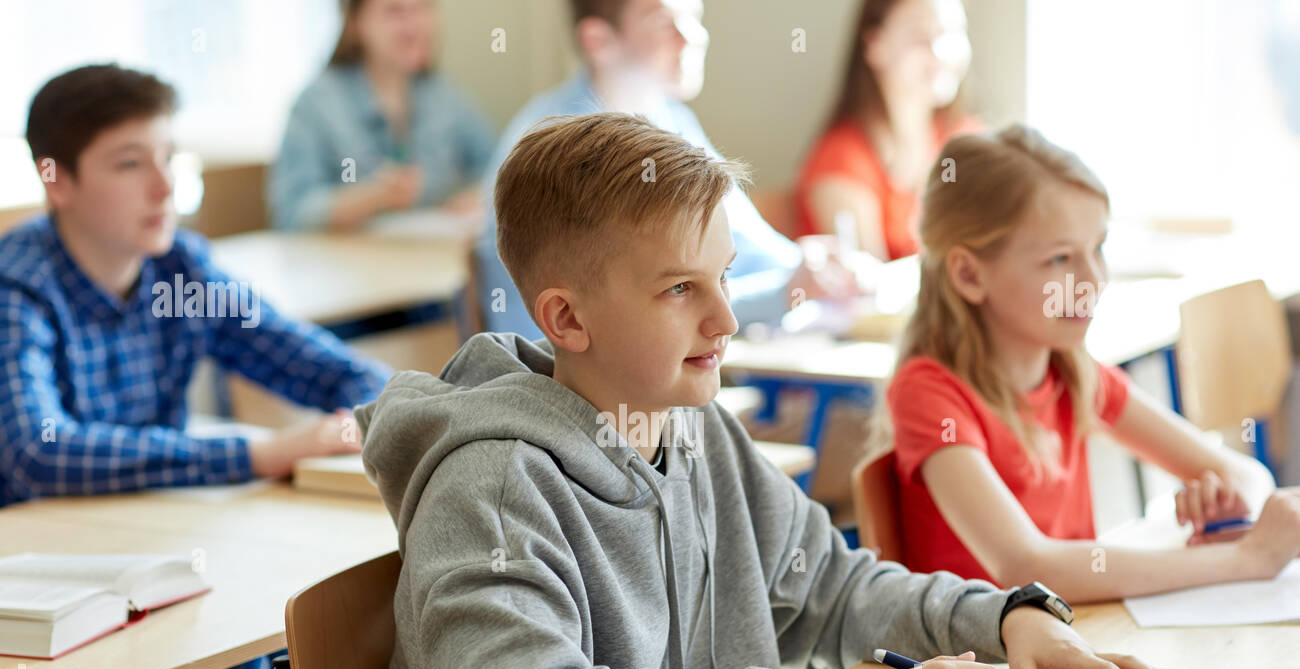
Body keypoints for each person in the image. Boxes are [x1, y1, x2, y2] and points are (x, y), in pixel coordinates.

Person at [356, 112, 1177, 669]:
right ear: (567, 320)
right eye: (681, 289)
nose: (725, 319)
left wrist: (1002, 619)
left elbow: (829, 585)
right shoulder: (494, 491)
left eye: (725, 277)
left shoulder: (691, 425)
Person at [884, 124, 1300, 602]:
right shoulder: (929, 394)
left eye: (1097, 249)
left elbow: (1246, 474)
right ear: (968, 274)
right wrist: (1241, 560)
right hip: (979, 666)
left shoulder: (1073, 371)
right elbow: (1027, 566)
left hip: (1072, 640)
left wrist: (1229, 504)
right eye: (1060, 259)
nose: (1091, 281)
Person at [0, 64, 391, 508]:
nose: (164, 187)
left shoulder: (180, 269)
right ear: (57, 181)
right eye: (129, 163)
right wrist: (258, 455)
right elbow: (37, 451)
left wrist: (355, 421)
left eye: (168, 158)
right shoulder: (16, 287)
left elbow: (344, 373)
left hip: (151, 531)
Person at [473, 0, 866, 339]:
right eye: (664, 21)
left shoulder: (672, 119)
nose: (693, 36)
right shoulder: (569, 153)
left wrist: (814, 266)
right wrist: (787, 291)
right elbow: (637, 320)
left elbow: (750, 247)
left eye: (693, 13)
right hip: (573, 393)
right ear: (599, 40)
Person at [268, 0, 496, 230]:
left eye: (423, 8)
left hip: (427, 256)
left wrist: (478, 195)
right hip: (346, 261)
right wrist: (372, 197)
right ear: (356, 24)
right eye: (394, 11)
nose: (414, 26)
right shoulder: (315, 105)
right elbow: (292, 215)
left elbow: (496, 167)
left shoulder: (444, 96)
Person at [793, 0, 977, 260]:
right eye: (919, 36)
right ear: (874, 44)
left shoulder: (967, 138)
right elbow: (869, 291)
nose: (941, 51)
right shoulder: (841, 161)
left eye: (954, 31)